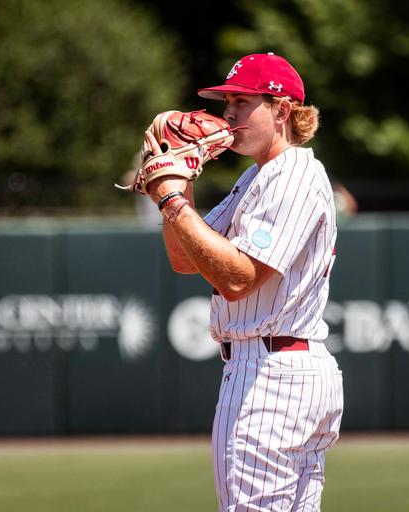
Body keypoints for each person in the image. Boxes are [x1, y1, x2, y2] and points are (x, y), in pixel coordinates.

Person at [144, 53, 343, 512]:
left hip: (270, 377)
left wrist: (171, 201)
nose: (228, 113)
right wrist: (181, 182)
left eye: (241, 101)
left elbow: (238, 279)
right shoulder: (256, 177)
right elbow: (185, 258)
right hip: (284, 369)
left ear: (282, 110)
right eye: (227, 102)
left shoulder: (293, 175)